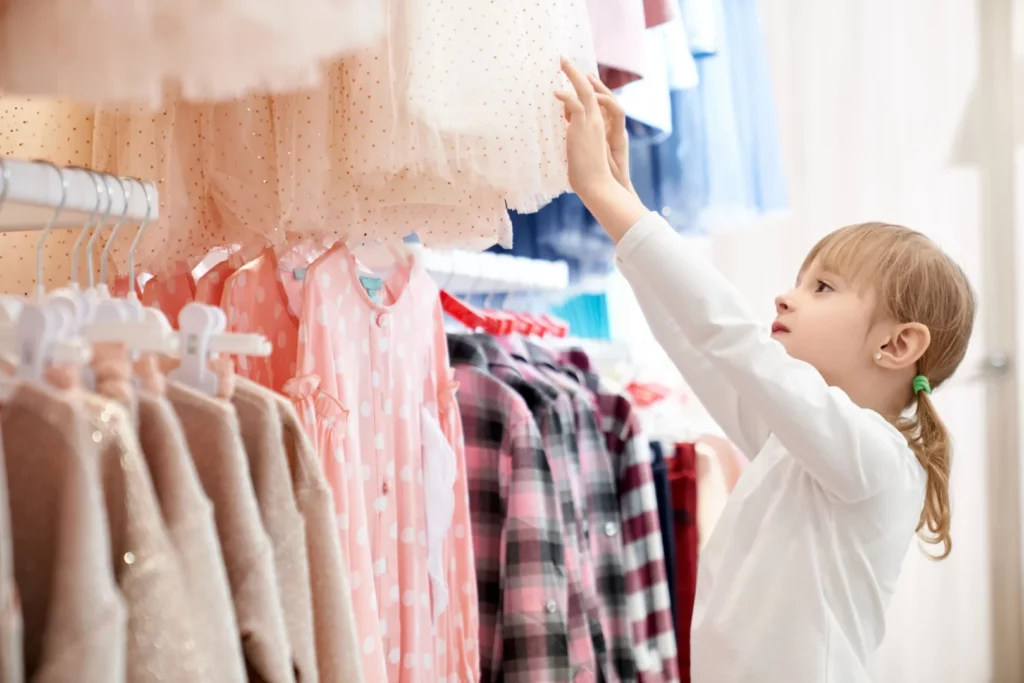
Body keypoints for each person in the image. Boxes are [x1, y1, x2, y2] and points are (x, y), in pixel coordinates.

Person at [554, 58, 976, 682]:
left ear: (896, 345)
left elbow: (728, 336)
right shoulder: (799, 444)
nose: (786, 297)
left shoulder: (874, 459)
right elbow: (702, 345)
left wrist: (606, 196)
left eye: (824, 288)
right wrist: (623, 191)